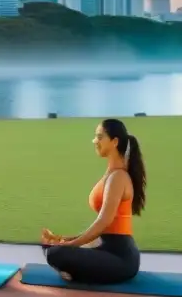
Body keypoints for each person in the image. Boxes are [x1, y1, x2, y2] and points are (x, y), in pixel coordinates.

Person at [41, 118, 148, 285]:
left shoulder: (118, 177)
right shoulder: (111, 175)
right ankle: (73, 270)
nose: (95, 141)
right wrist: (63, 239)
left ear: (114, 142)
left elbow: (104, 221)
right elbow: (101, 234)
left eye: (99, 137)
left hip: (121, 257)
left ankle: (74, 272)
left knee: (56, 254)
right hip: (103, 247)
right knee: (50, 247)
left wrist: (73, 244)